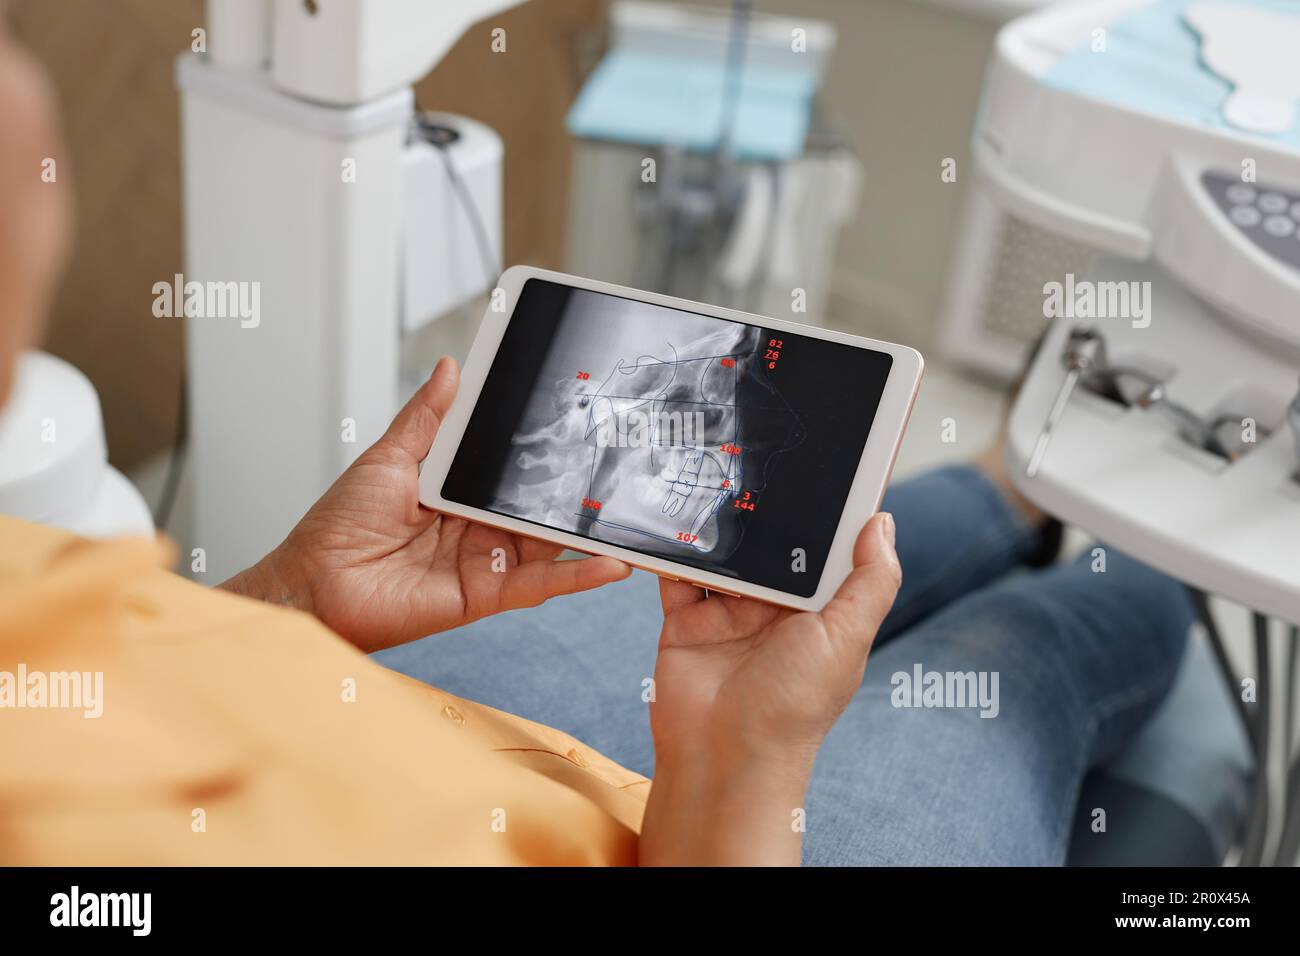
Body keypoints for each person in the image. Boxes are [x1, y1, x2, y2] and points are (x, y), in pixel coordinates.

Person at [0, 20, 1190, 866]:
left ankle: (1003, 489)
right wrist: (738, 763)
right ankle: (1148, 533)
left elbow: (115, 691)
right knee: (1032, 655)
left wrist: (282, 609)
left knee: (812, 551)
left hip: (377, 723)